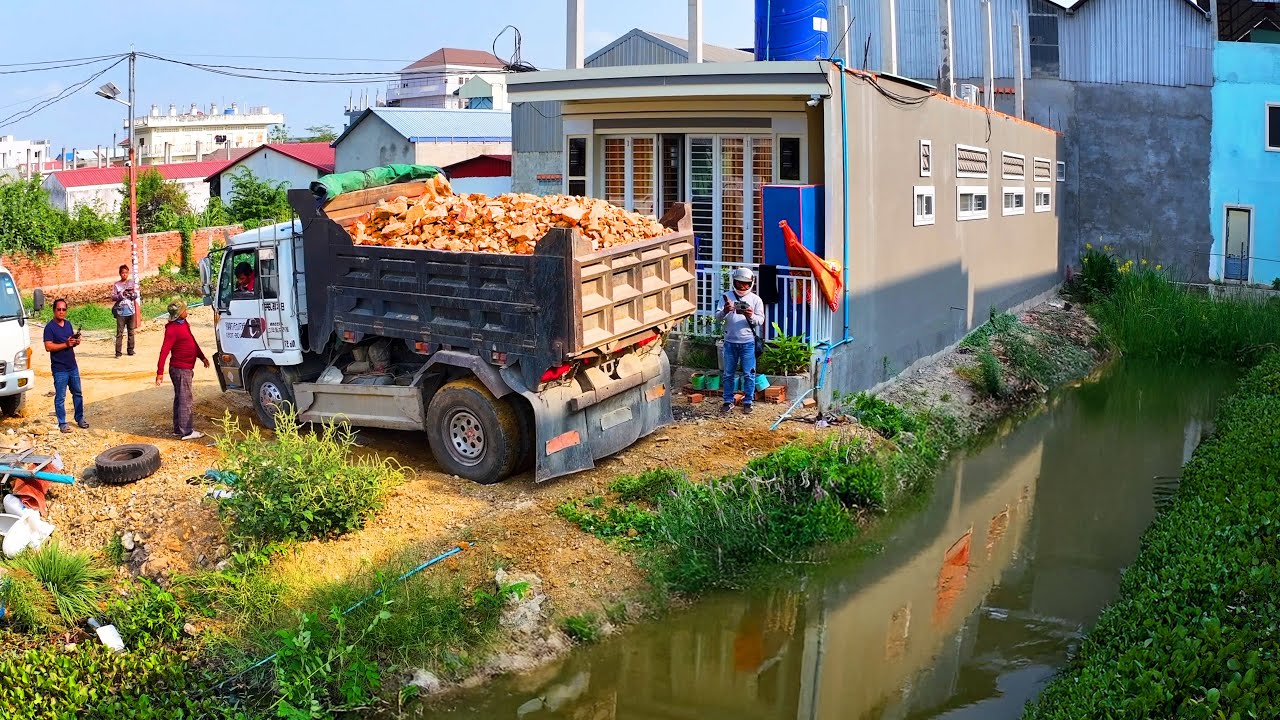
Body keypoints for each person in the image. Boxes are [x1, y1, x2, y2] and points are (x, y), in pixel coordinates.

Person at [157, 298, 210, 440]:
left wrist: (202, 357)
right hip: (180, 369)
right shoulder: (172, 329)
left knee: (180, 398)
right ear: (179, 313)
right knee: (185, 400)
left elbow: (192, 341)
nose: (187, 311)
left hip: (185, 368)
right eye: (184, 310)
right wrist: (159, 373)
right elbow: (164, 351)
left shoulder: (184, 324)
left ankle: (178, 429)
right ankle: (187, 431)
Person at [715, 267, 765, 415]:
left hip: (748, 342)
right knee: (728, 373)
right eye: (739, 283)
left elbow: (760, 320)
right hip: (730, 341)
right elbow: (717, 317)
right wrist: (725, 310)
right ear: (734, 282)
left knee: (749, 374)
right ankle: (728, 401)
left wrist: (750, 315)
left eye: (746, 284)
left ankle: (748, 401)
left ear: (751, 284)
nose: (743, 287)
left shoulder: (756, 300)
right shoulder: (726, 296)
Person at [42, 298, 86, 433]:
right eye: (59, 309)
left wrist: (75, 341)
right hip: (59, 368)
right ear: (54, 310)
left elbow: (70, 341)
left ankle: (80, 418)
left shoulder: (67, 324)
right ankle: (62, 423)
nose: (61, 312)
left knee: (77, 393)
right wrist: (66, 345)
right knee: (60, 397)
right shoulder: (49, 328)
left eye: (64, 309)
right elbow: (48, 347)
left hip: (72, 365)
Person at [110, 264, 138, 358]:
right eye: (123, 273)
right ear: (120, 274)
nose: (124, 274)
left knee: (131, 331)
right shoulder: (117, 285)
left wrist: (132, 295)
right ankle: (118, 352)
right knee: (120, 333)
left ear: (128, 273)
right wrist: (120, 296)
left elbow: (135, 295)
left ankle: (130, 350)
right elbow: (113, 297)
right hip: (121, 312)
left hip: (131, 311)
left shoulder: (131, 283)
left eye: (126, 273)